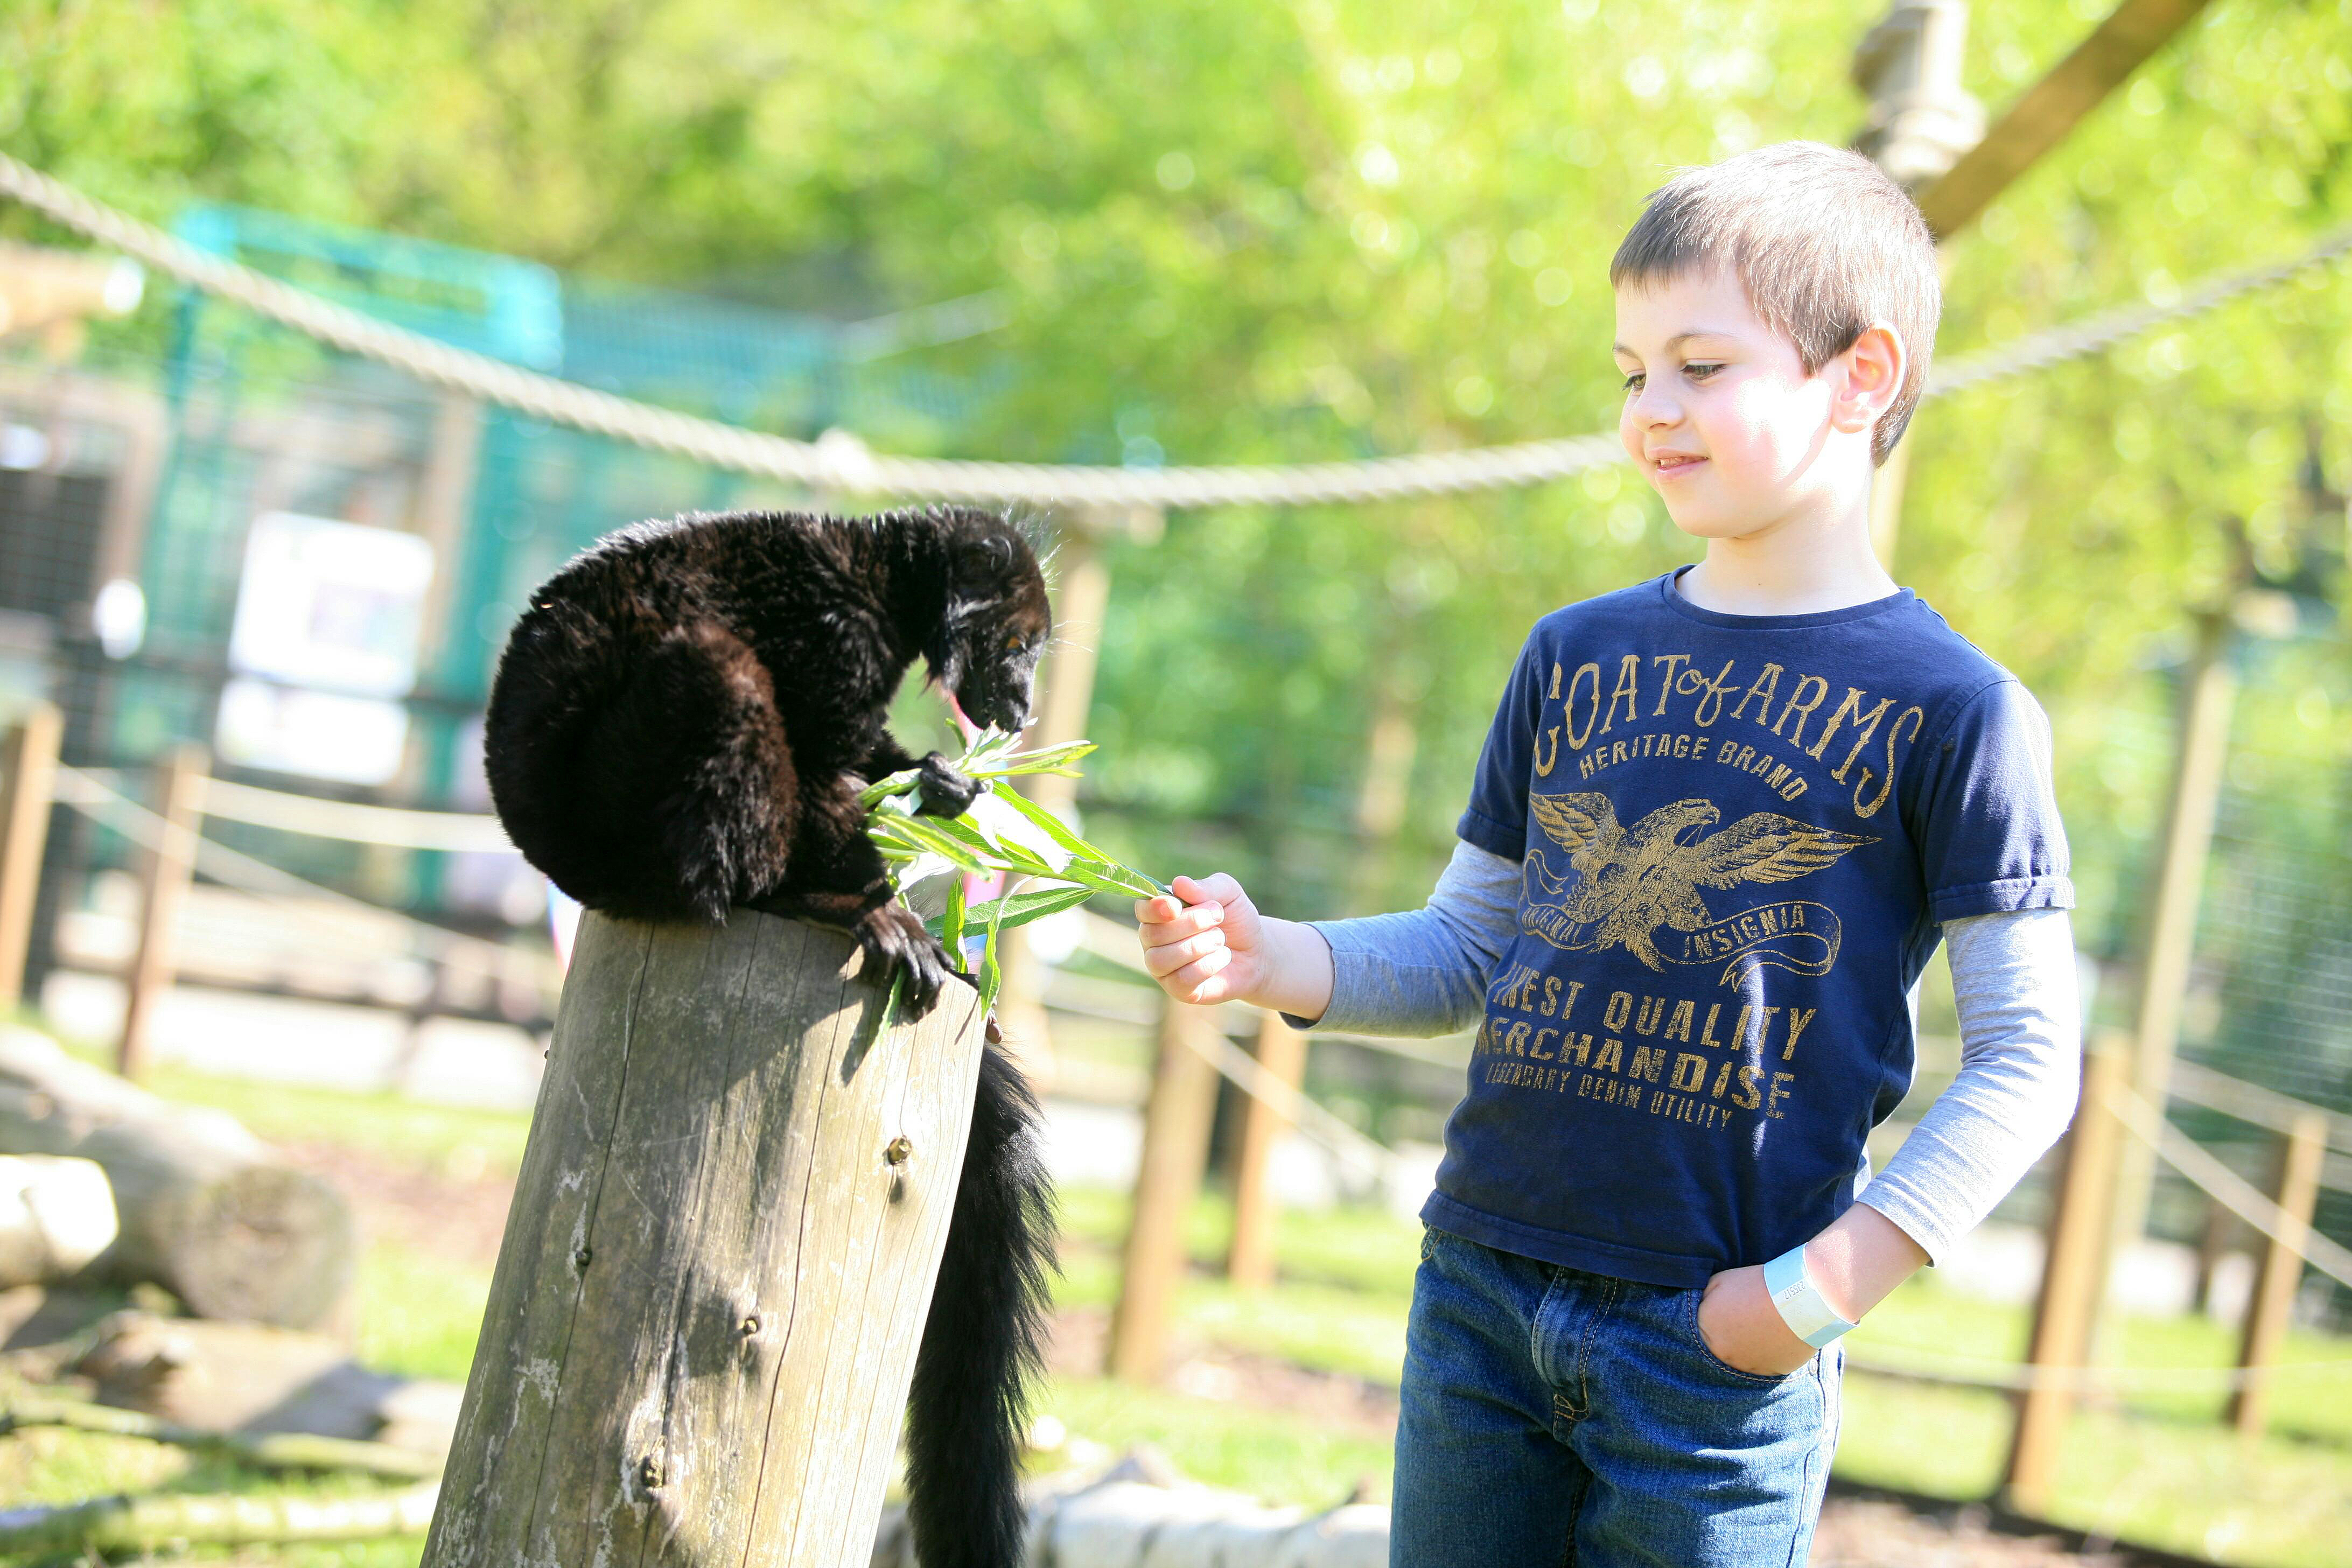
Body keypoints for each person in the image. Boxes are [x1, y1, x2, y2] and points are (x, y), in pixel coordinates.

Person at [1131, 142, 2081, 1566]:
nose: (1653, 412)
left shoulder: (1960, 708)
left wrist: (1812, 1299)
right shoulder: (1574, 654)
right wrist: (1278, 959)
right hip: (1480, 1302)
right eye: (1633, 372)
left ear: (1861, 377)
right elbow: (1467, 950)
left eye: (1703, 365)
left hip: (1719, 1357)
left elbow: (2029, 1057)